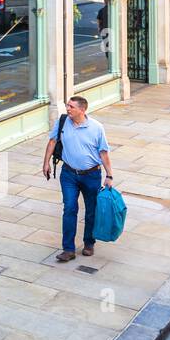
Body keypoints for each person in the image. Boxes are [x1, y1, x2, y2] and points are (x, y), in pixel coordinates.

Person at [40, 96, 114, 262]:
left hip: (91, 175)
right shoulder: (63, 122)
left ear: (82, 110)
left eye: (71, 107)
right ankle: (68, 249)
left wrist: (109, 175)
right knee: (70, 208)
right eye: (67, 106)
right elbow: (52, 141)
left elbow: (103, 152)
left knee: (91, 211)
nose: (68, 109)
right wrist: (46, 163)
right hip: (69, 174)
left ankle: (89, 243)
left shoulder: (96, 128)